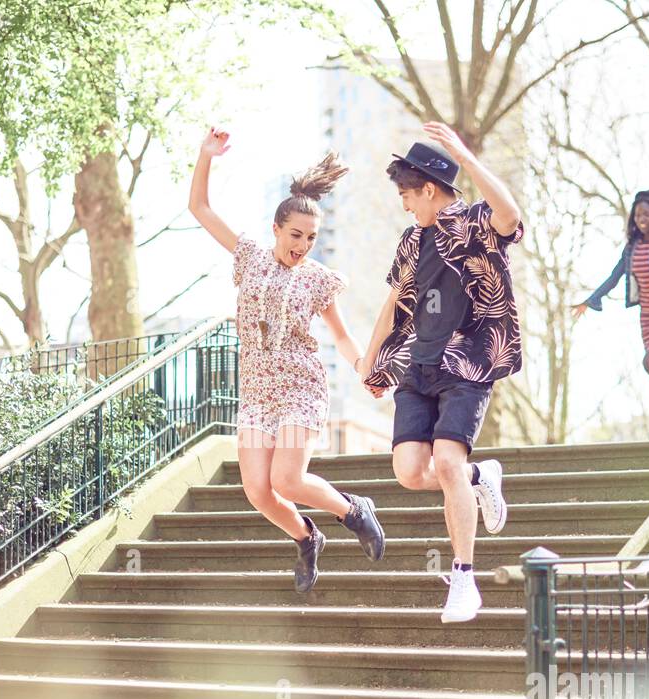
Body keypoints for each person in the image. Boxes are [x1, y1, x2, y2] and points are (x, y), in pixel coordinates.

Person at [188, 126, 385, 594]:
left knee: (288, 478)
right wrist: (206, 156)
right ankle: (307, 537)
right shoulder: (249, 257)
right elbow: (199, 208)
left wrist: (365, 370)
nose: (302, 245)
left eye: (311, 238)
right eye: (295, 234)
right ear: (276, 229)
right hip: (257, 392)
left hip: (300, 388)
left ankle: (354, 511)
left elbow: (341, 335)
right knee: (259, 491)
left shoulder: (318, 279)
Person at [358, 124, 521, 624]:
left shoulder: (474, 223)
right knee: (410, 472)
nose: (405, 204)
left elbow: (510, 215)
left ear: (429, 189)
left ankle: (465, 580)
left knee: (446, 462)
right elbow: (393, 304)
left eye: (407, 195)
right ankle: (480, 476)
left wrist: (465, 157)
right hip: (417, 365)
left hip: (468, 362)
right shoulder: (410, 241)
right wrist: (371, 361)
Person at [573, 189, 649, 439]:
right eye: (638, 214)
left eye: (647, 214)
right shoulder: (632, 248)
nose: (641, 218)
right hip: (648, 317)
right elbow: (615, 276)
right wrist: (590, 300)